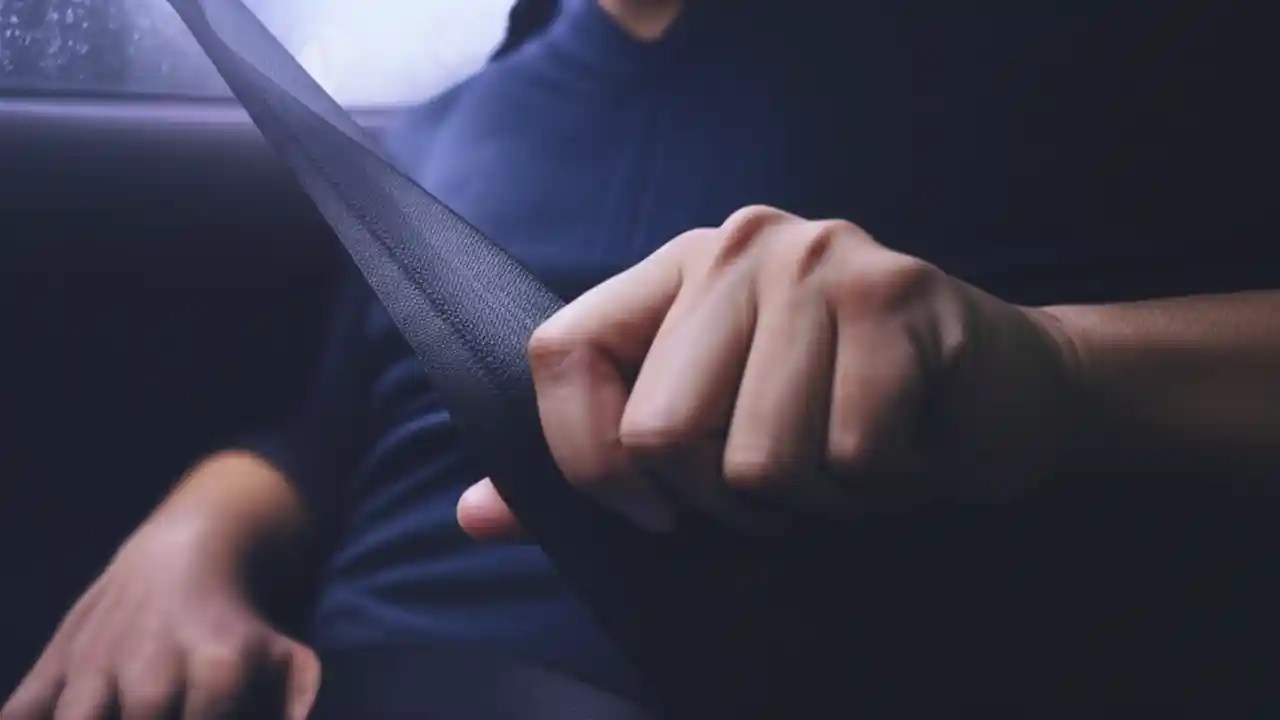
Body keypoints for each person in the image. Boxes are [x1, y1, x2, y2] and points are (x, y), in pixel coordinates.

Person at [6, 0, 1279, 717]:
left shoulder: (1111, 39)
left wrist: (1059, 367)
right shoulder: (441, 133)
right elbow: (326, 430)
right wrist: (187, 538)